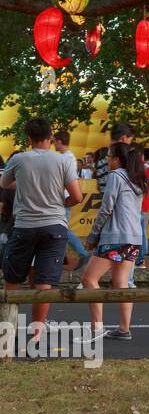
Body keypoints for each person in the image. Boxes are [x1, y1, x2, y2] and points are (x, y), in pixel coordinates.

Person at [1, 118, 83, 342]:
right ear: (51, 136)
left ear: (28, 138)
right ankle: (36, 333)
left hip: (24, 225)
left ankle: (7, 332)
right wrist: (60, 205)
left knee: (13, 278)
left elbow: (4, 183)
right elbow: (76, 196)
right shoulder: (62, 160)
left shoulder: (19, 159)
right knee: (44, 281)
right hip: (54, 225)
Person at [82, 142, 147, 340]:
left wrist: (93, 236)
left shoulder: (115, 176)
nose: (107, 160)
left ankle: (96, 328)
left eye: (109, 156)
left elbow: (106, 208)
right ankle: (124, 328)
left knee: (89, 279)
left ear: (117, 159)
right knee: (121, 282)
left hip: (115, 237)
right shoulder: (138, 178)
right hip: (134, 238)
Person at [52, 130, 92, 274]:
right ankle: (63, 257)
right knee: (62, 229)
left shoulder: (66, 157)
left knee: (63, 230)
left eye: (54, 141)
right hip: (64, 197)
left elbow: (64, 179)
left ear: (59, 141)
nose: (53, 144)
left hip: (64, 198)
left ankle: (83, 254)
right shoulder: (67, 157)